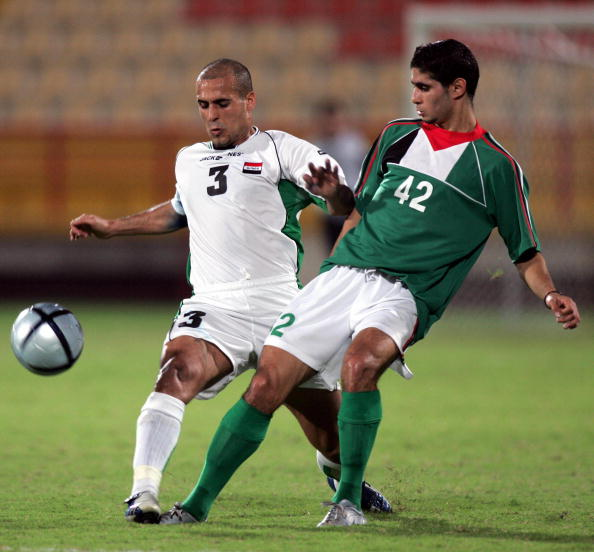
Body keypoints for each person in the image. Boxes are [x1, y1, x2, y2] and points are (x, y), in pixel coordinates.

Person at [158, 40, 581, 527]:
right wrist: (331, 264)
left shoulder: (497, 168)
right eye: (413, 86)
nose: (414, 97)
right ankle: (195, 506)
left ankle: (347, 503)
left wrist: (550, 294)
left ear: (457, 88)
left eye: (424, 87)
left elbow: (525, 252)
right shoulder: (396, 136)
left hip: (405, 293)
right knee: (267, 384)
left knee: (360, 365)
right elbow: (358, 211)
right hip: (341, 277)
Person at [68, 58, 392, 524]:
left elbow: (340, 202)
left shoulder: (283, 149)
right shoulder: (189, 158)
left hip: (281, 305)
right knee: (175, 373)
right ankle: (143, 492)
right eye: (203, 105)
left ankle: (344, 479)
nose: (212, 114)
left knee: (331, 436)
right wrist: (112, 227)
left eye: (222, 103)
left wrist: (335, 192)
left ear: (249, 100)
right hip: (214, 304)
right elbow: (178, 210)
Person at [309, 99, 369, 249]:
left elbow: (369, 171)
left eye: (334, 121)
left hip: (354, 209)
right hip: (331, 213)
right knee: (333, 253)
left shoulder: (355, 143)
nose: (331, 125)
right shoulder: (314, 146)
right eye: (327, 121)